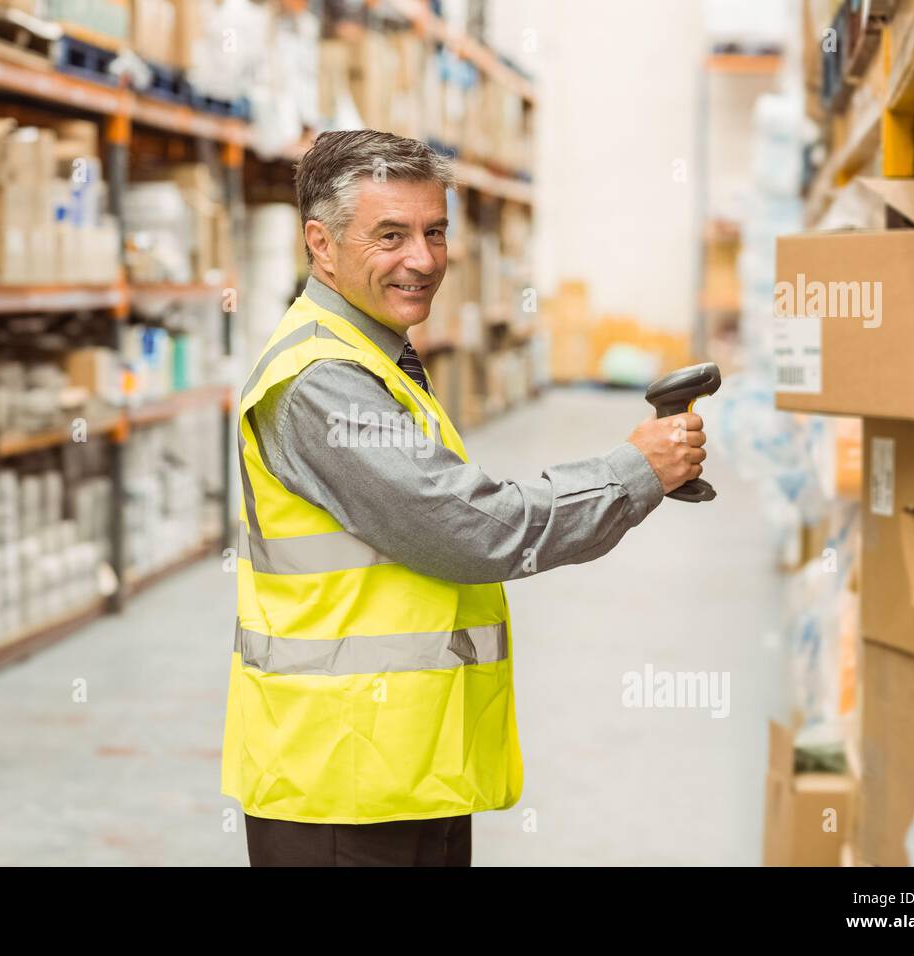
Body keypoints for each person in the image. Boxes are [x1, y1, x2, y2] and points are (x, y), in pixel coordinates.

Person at [220, 129, 707, 866]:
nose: (423, 259)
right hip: (340, 789)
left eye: (435, 232)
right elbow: (470, 528)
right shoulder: (322, 381)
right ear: (321, 245)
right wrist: (632, 473)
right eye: (391, 235)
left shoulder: (375, 356)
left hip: (407, 768)